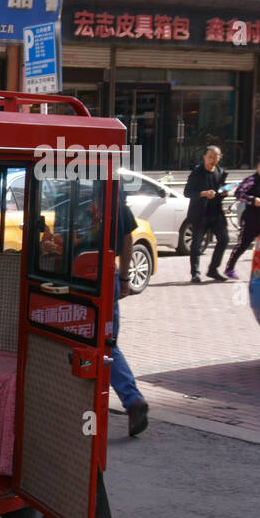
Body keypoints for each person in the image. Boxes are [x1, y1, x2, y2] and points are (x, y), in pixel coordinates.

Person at [111, 184, 148, 436]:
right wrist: (123, 277)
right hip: (107, 275)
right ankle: (132, 400)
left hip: (80, 275)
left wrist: (124, 279)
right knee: (105, 342)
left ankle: (132, 400)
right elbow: (127, 238)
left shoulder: (74, 187)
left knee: (99, 343)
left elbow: (127, 237)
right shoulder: (113, 190)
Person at [223, 155, 260, 279]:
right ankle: (229, 268)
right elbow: (238, 193)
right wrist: (252, 199)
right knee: (244, 244)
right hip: (252, 219)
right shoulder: (251, 180)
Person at [183, 145, 230, 283]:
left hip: (216, 213)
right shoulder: (197, 173)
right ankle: (195, 273)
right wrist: (203, 193)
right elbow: (187, 193)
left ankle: (213, 269)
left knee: (224, 239)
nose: (213, 159)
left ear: (219, 158)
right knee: (196, 244)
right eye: (210, 156)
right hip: (199, 214)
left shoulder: (221, 172)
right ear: (204, 157)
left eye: (216, 157)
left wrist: (224, 192)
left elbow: (220, 192)